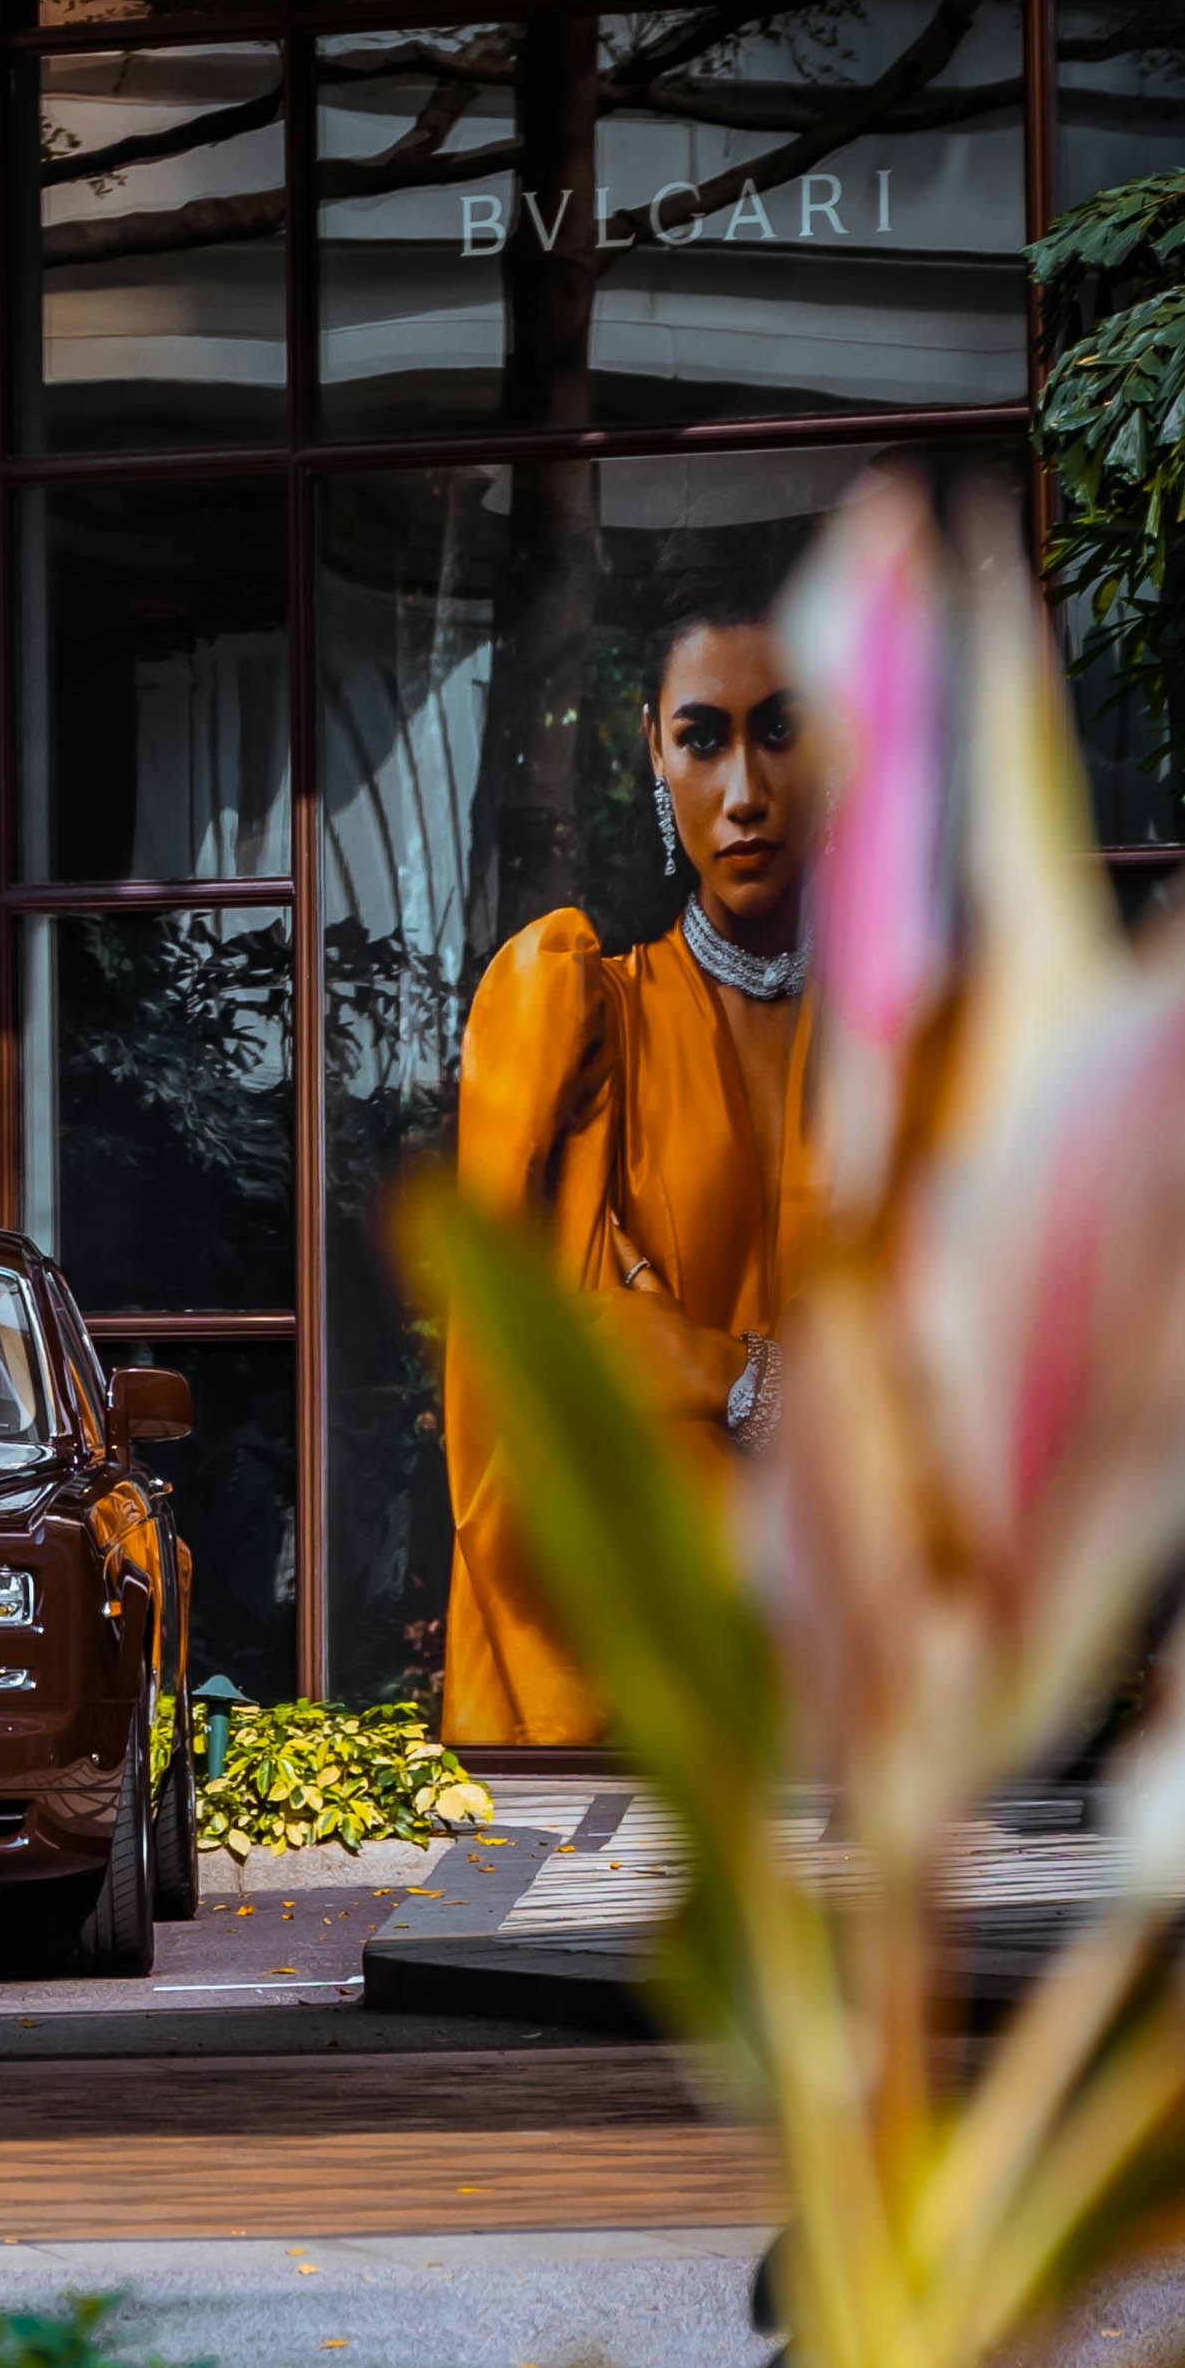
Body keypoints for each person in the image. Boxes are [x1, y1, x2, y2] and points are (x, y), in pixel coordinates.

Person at [442, 597, 825, 1747]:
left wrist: (702, 1362)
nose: (745, 792)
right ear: (654, 753)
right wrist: (752, 1379)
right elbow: (536, 1348)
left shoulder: (913, 1042)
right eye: (703, 738)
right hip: (647, 1692)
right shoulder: (583, 1019)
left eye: (780, 730)